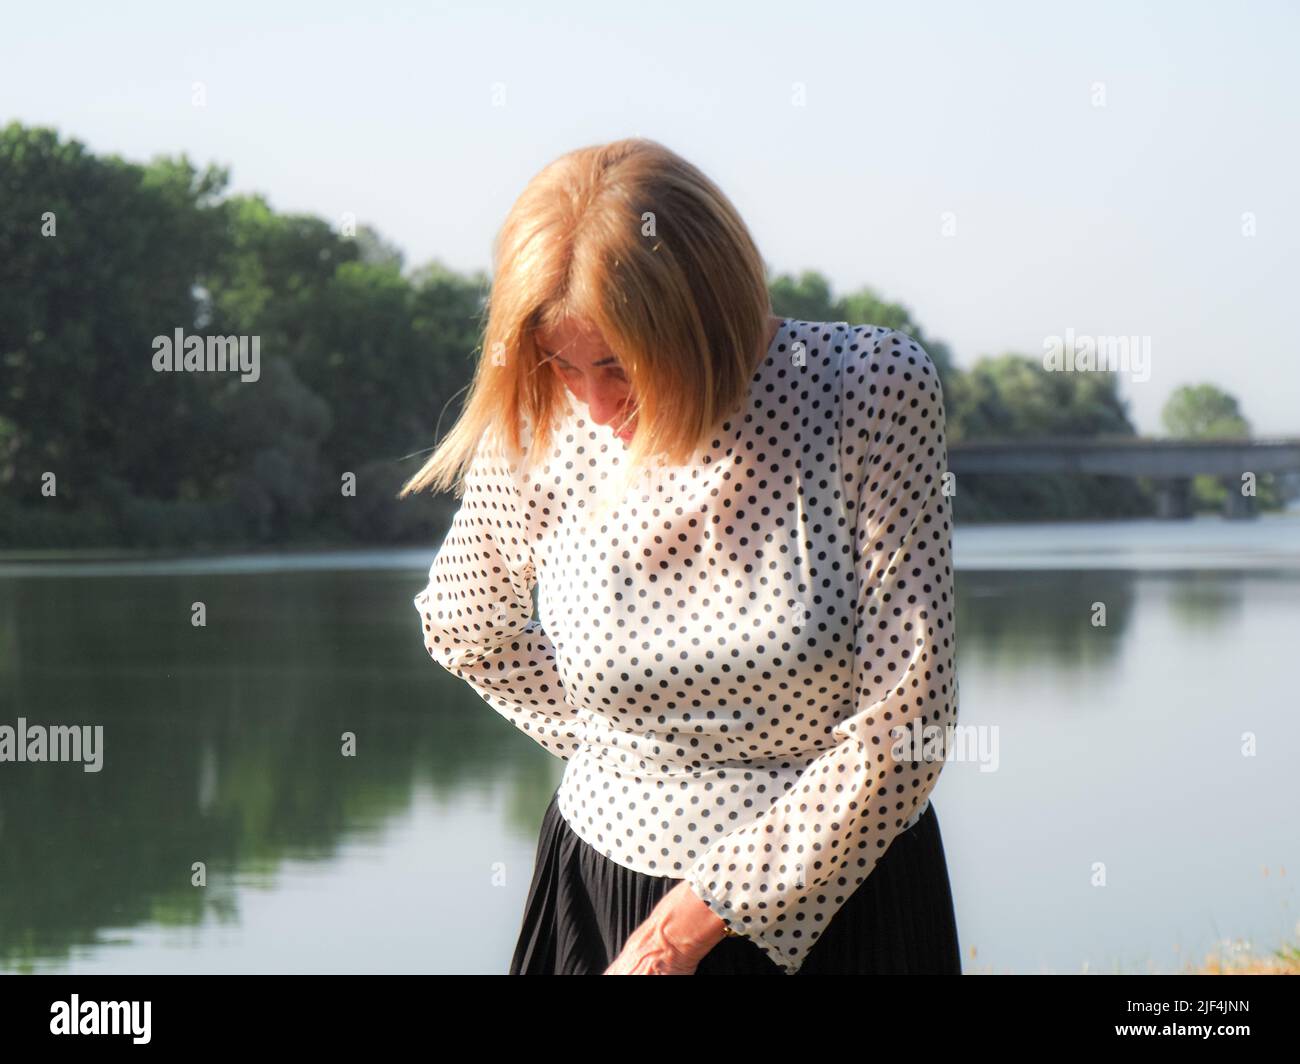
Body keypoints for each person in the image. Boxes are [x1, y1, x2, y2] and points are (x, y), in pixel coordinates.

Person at [401, 137, 961, 975]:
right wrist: (633, 750)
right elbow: (464, 627)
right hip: (606, 891)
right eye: (562, 364)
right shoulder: (539, 426)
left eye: (620, 366)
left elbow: (906, 724)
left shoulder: (868, 390)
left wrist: (692, 922)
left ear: (708, 317)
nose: (591, 404)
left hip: (847, 904)